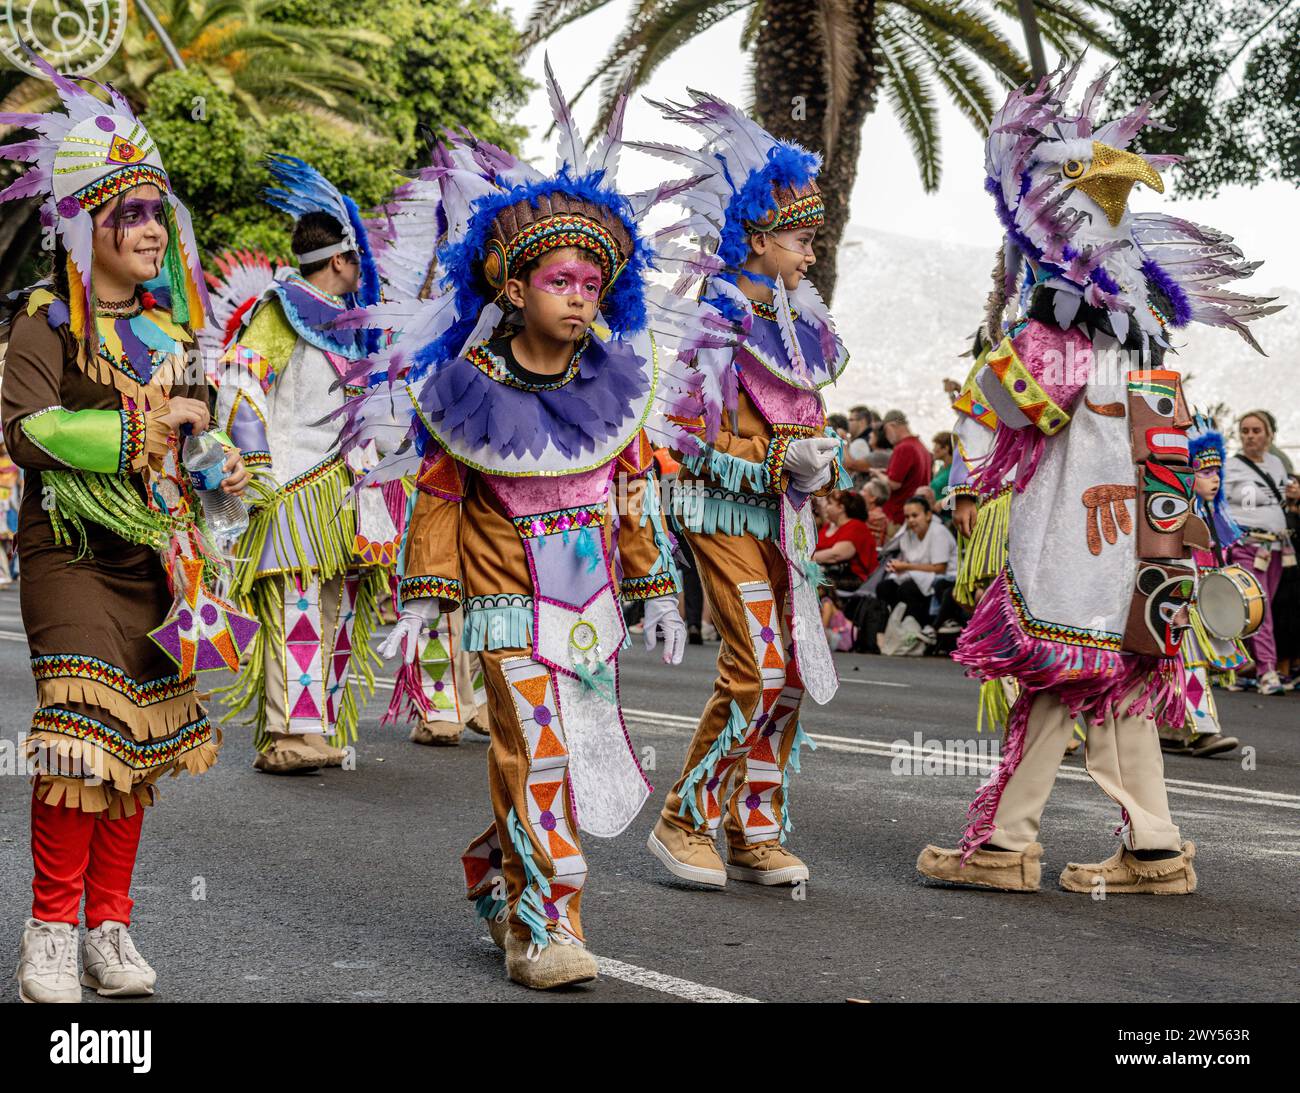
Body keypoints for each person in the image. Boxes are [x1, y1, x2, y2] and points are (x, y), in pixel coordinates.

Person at [336, 64, 690, 989]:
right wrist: (424, 600)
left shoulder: (614, 387)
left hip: (590, 605)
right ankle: (546, 922)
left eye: (592, 282)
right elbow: (442, 499)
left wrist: (655, 587)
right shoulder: (466, 392)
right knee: (536, 747)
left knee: (560, 753)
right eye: (559, 279)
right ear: (515, 286)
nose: (579, 296)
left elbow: (632, 492)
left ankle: (498, 880)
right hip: (504, 604)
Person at [915, 62, 1278, 896]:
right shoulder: (1141, 322)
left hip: (1087, 541)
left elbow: (1009, 408)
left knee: (1065, 676)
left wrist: (987, 381)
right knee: (1113, 686)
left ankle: (1011, 846)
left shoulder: (1067, 316)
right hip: (1147, 540)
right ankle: (1146, 848)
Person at [1, 61, 252, 1001]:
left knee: (137, 750)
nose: (154, 230)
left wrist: (219, 462)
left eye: (159, 211)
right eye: (131, 213)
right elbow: (24, 431)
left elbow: (202, 443)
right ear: (83, 227)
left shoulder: (172, 335)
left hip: (156, 556)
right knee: (78, 737)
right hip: (68, 553)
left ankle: (109, 923)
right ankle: (51, 931)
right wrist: (135, 430)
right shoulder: (46, 322)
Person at [633, 92, 849, 891]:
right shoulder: (715, 316)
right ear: (757, 238)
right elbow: (684, 440)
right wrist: (772, 463)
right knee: (754, 663)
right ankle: (682, 819)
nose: (809, 255)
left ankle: (752, 826)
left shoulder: (799, 322)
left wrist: (824, 467)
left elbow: (805, 415)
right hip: (722, 512)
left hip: (781, 519)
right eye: (799, 239)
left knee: (788, 669)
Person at [214, 157, 398, 771]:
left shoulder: (348, 326)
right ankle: (287, 735)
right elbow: (241, 381)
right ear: (342, 259)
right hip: (291, 483)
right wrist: (254, 467)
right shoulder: (281, 308)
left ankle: (309, 728)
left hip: (338, 488)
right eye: (359, 261)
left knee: (326, 607)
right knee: (294, 602)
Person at [1160, 416, 1248, 757]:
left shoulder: (1212, 514)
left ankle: (1169, 730)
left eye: (1217, 471)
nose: (1213, 479)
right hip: (1178, 601)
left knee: (1183, 666)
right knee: (1190, 663)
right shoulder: (1174, 510)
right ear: (1186, 472)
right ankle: (1203, 730)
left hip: (1199, 602)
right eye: (1204, 471)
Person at [1223, 410, 1299, 695]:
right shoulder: (1230, 467)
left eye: (1256, 430)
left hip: (1277, 547)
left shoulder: (1277, 464)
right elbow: (1216, 503)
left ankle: (1247, 668)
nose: (1250, 436)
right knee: (1260, 607)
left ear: (1268, 434)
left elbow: (1281, 498)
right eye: (1245, 431)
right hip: (1247, 545)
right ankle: (1267, 671)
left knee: (1264, 608)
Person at [877, 496, 957, 628]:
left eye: (915, 515)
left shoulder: (938, 532)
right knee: (885, 587)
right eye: (907, 517)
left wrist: (906, 566)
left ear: (928, 515)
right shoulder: (908, 534)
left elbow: (940, 568)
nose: (911, 520)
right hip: (918, 575)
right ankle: (893, 628)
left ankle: (916, 628)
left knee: (907, 589)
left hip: (943, 577)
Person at [869, 410, 933, 535]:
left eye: (885, 430)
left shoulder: (904, 447)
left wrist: (878, 474)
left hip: (900, 517)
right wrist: (886, 473)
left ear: (892, 426)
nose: (885, 435)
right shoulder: (921, 446)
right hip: (915, 515)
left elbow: (894, 484)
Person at [813, 489, 878, 584]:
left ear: (841, 508)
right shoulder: (830, 526)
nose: (826, 507)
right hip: (828, 572)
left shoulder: (856, 526)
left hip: (852, 577)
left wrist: (806, 559)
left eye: (829, 503)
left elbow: (836, 555)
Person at [930, 431, 954, 507]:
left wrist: (941, 503)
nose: (933, 449)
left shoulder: (954, 471)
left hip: (945, 517)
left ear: (946, 449)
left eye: (935, 446)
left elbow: (957, 497)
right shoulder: (942, 468)